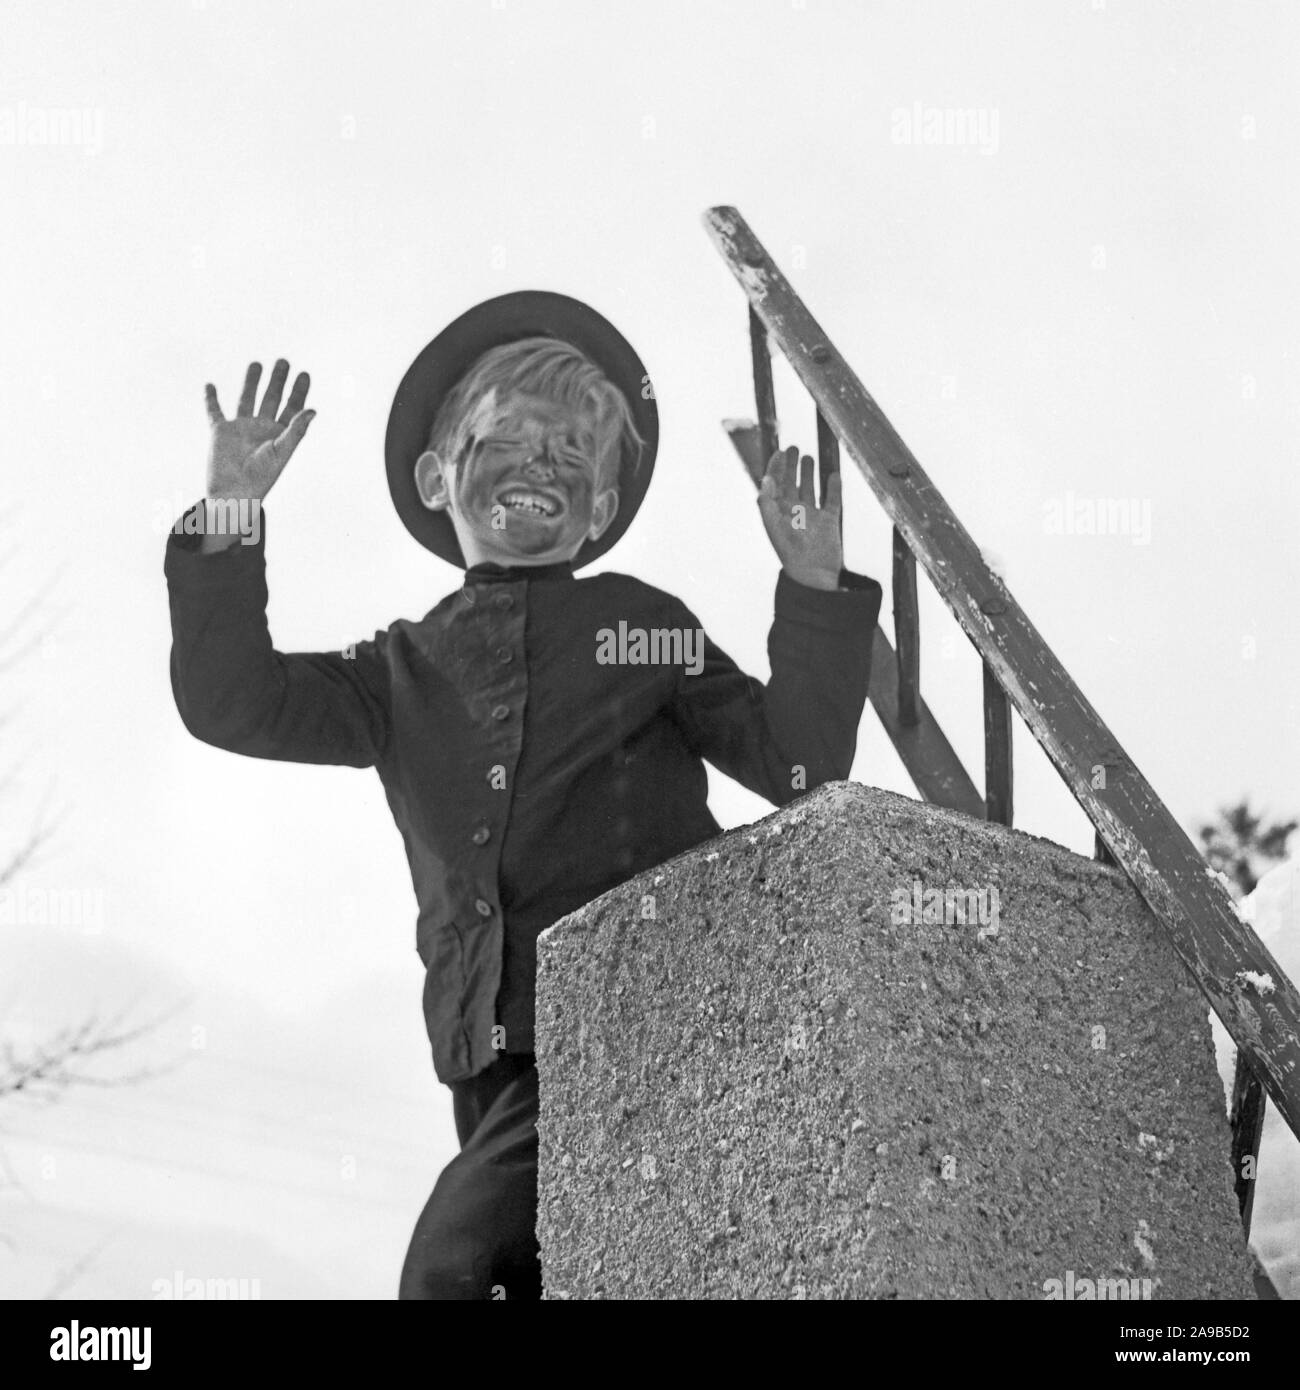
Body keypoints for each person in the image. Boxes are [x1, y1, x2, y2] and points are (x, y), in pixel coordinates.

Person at [164, 290, 883, 1298]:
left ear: (597, 510)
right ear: (437, 475)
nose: (544, 465)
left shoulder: (644, 629)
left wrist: (812, 586)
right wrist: (231, 513)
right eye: (513, 437)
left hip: (630, 1017)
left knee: (457, 1269)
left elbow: (797, 762)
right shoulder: (396, 673)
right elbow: (231, 700)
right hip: (486, 1051)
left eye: (572, 454)